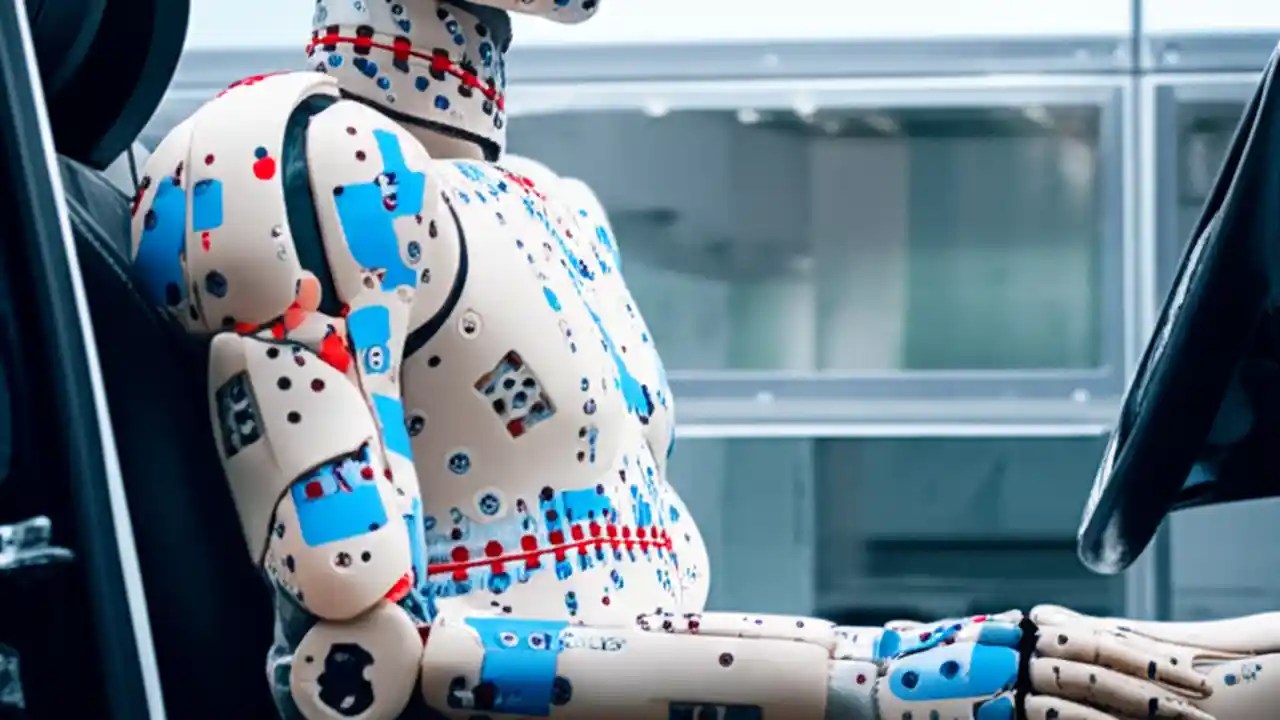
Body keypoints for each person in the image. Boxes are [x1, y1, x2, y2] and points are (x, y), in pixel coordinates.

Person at [129, 2, 1280, 717]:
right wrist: (882, 677)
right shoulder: (288, 157)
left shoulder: (548, 203)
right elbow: (359, 666)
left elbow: (638, 592)